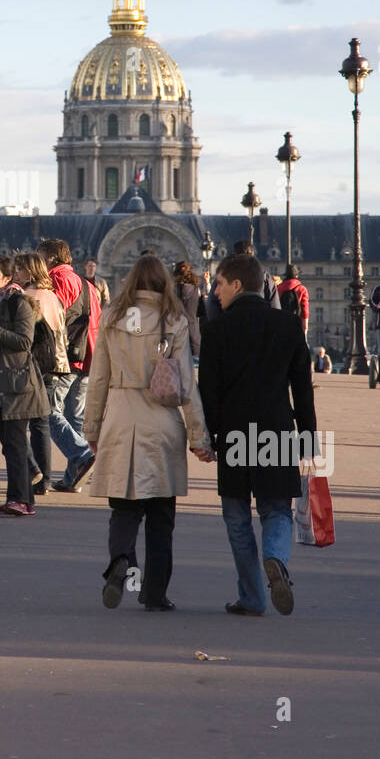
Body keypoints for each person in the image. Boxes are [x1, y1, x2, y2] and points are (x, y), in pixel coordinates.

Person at [84, 256, 213, 611]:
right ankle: (154, 593)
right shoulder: (173, 320)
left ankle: (120, 561)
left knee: (124, 509)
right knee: (161, 515)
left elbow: (97, 380)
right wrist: (199, 438)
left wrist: (92, 427)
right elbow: (186, 383)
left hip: (121, 417)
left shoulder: (111, 317)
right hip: (162, 422)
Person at [198, 253, 317, 617]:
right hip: (277, 428)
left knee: (237, 516)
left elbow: (209, 391)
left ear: (236, 284)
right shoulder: (288, 325)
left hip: (235, 430)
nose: (215, 292)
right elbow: (303, 387)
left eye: (218, 284)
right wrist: (308, 438)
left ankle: (251, 597)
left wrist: (211, 437)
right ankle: (276, 558)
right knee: (277, 508)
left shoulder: (216, 330)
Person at [0, 253, 50, 516]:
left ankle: (20, 500)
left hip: (17, 384)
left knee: (14, 444)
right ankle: (22, 499)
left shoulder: (19, 303)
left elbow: (24, 342)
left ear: (8, 276)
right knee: (9, 445)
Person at [36, 238, 102, 492]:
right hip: (89, 356)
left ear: (51, 259)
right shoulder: (87, 284)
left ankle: (82, 454)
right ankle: (73, 478)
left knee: (46, 409)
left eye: (40, 258)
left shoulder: (59, 280)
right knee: (75, 418)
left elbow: (52, 315)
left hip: (68, 358)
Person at [12, 251, 66, 494]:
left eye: (20, 269)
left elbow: (23, 336)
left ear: (31, 271)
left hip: (31, 365)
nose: (16, 273)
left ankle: (32, 472)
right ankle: (44, 479)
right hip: (54, 364)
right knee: (42, 423)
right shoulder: (53, 296)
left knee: (18, 422)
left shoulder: (26, 296)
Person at [205, 240, 280, 321]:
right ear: (252, 255)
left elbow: (212, 305)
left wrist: (216, 326)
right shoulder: (266, 278)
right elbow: (275, 307)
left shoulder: (224, 276)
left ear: (234, 256)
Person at [173, 260, 201, 357]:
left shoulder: (173, 290)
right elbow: (200, 310)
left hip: (176, 332)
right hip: (193, 331)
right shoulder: (195, 289)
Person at [277, 264, 309, 341]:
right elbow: (305, 311)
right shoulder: (302, 289)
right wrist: (305, 328)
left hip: (281, 324)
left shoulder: (278, 288)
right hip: (296, 324)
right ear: (296, 276)